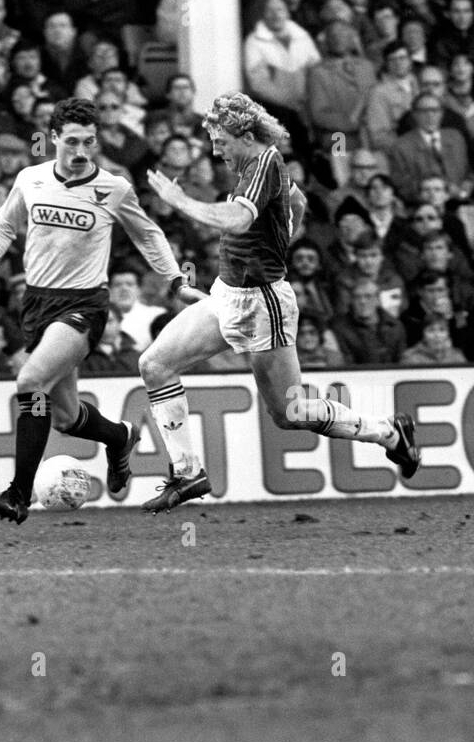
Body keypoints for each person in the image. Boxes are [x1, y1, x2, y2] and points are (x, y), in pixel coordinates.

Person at [142, 92, 420, 512]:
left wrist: (181, 201)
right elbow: (297, 202)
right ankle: (188, 473)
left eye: (220, 141)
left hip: (262, 303)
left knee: (288, 413)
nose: (215, 150)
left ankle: (388, 432)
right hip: (230, 293)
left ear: (246, 135)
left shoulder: (266, 161)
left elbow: (238, 218)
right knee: (154, 366)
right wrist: (267, 251)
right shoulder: (255, 166)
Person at [0, 98, 196, 525]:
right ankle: (121, 437)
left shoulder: (113, 187)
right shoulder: (31, 179)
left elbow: (149, 235)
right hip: (36, 302)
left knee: (30, 381)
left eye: (88, 142)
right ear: (53, 139)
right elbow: (4, 225)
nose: (81, 151)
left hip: (84, 305)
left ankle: (18, 494)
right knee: (65, 418)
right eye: (71, 142)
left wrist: (176, 280)